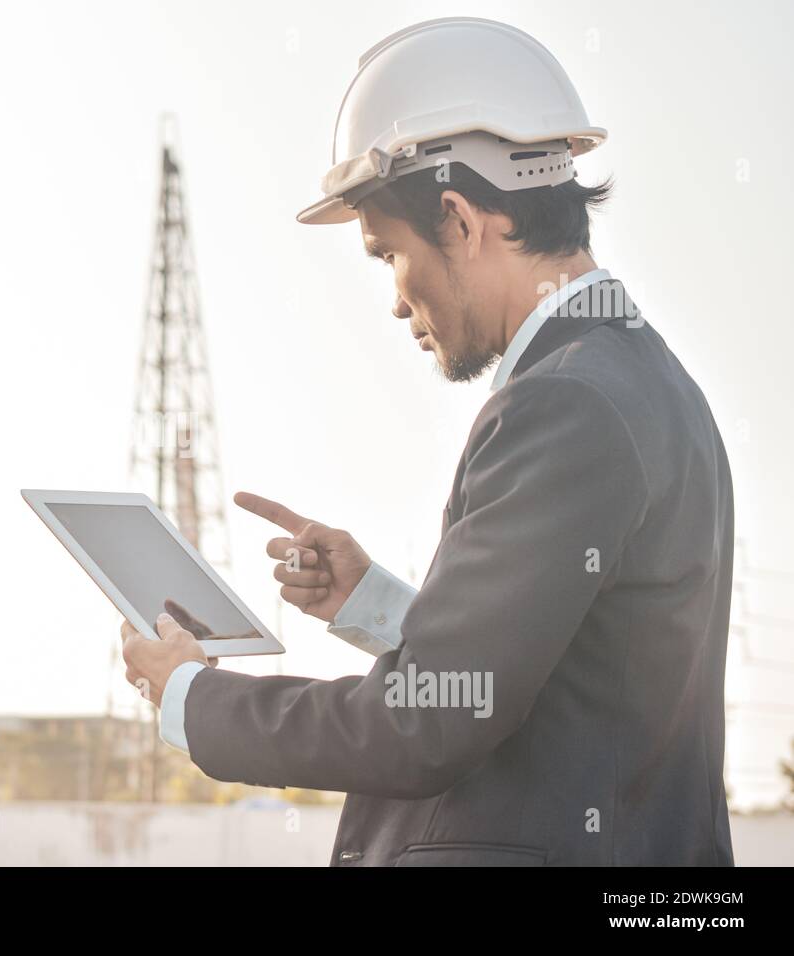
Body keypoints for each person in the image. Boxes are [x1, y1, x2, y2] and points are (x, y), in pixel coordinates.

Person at [119, 17, 734, 866]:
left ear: (458, 219)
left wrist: (191, 697)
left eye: (387, 255)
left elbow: (424, 726)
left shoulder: (564, 402)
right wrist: (372, 602)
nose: (397, 301)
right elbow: (558, 679)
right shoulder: (644, 381)